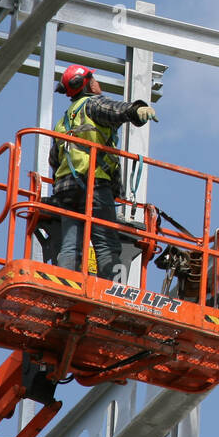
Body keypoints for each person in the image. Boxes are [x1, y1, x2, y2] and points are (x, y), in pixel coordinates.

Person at [47, 64, 157, 281]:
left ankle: (65, 283)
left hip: (65, 191)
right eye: (94, 79)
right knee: (107, 242)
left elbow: (54, 159)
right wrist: (137, 110)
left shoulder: (65, 120)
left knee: (71, 244)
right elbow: (114, 110)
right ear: (86, 84)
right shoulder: (93, 104)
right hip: (93, 184)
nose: (98, 83)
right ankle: (112, 290)